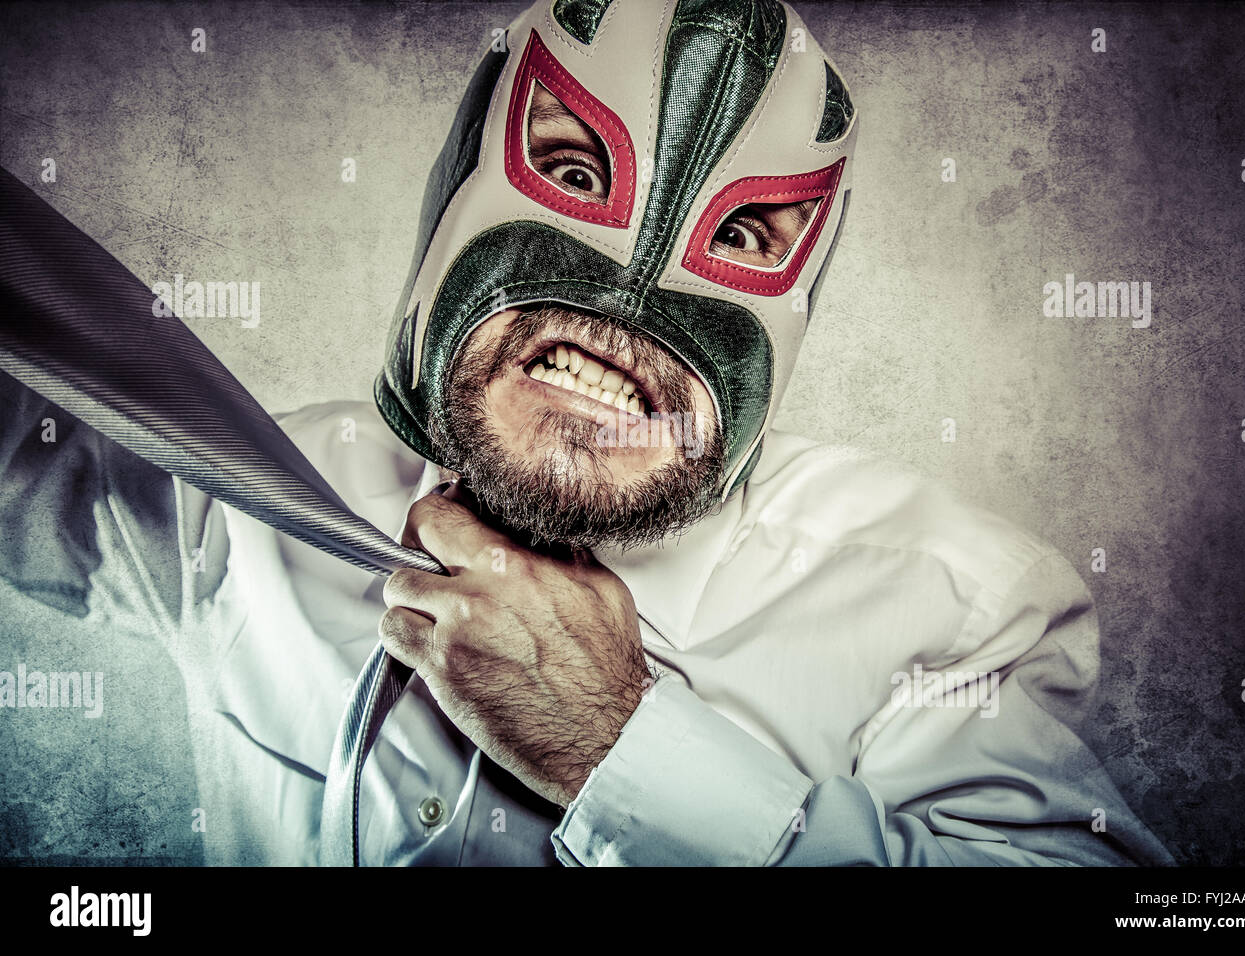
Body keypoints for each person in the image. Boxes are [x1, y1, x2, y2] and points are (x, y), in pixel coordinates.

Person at [0, 0, 1172, 866]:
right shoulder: (238, 499)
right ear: (457, 188)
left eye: (749, 237)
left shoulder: (957, 607)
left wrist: (624, 744)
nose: (625, 308)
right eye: (571, 166)